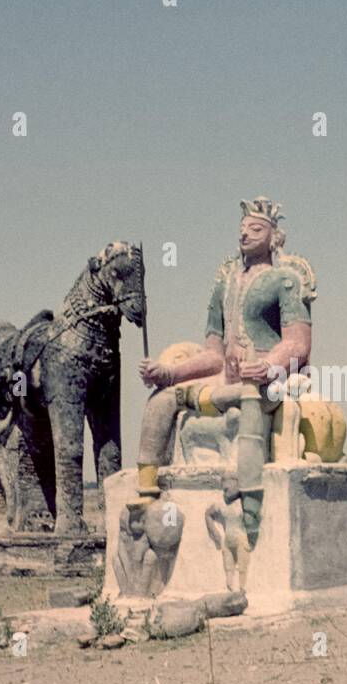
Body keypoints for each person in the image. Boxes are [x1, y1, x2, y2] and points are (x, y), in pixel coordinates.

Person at [134, 197, 314, 548]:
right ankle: (146, 494)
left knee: (247, 397)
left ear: (275, 236)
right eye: (242, 229)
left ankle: (248, 504)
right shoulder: (224, 284)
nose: (245, 234)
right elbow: (213, 355)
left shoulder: (286, 280)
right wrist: (169, 372)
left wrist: (267, 365)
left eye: (256, 229)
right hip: (225, 380)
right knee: (161, 401)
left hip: (269, 381)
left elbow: (299, 346)